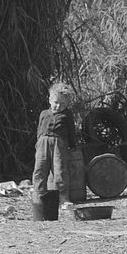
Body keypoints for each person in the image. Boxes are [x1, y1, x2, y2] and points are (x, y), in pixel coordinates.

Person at [33, 81, 77, 211]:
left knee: (60, 172)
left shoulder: (67, 115)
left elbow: (71, 131)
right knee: (40, 170)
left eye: (62, 104)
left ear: (67, 104)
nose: (58, 106)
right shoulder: (43, 114)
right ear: (50, 100)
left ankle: (63, 199)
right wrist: (38, 143)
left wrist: (72, 145)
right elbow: (39, 129)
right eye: (56, 102)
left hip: (59, 144)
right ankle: (39, 198)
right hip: (43, 143)